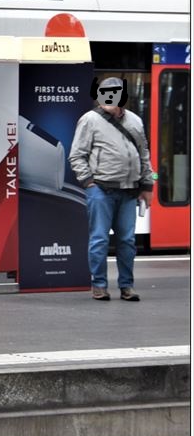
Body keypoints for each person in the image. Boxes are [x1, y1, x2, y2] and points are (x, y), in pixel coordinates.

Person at [68, 76, 154, 301]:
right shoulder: (90, 120)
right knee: (100, 239)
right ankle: (99, 285)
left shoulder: (135, 121)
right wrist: (88, 182)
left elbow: (143, 153)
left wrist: (148, 184)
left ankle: (127, 286)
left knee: (127, 241)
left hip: (129, 191)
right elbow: (77, 154)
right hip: (101, 190)